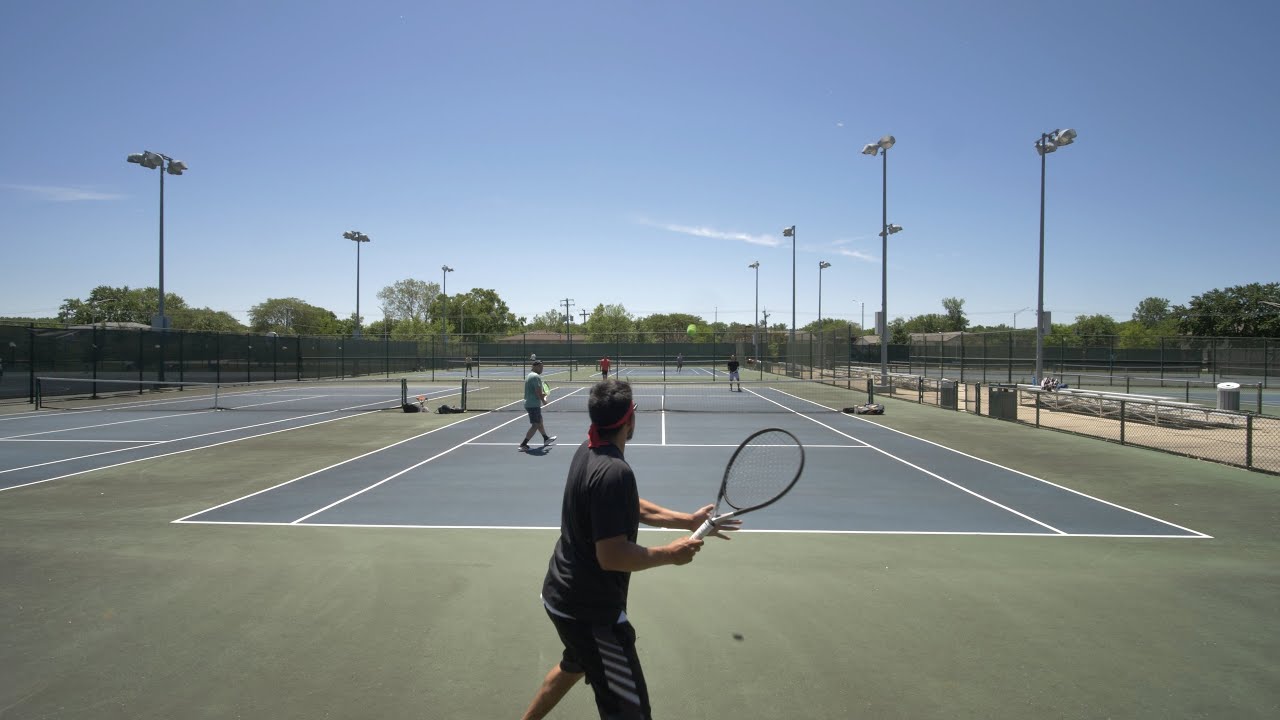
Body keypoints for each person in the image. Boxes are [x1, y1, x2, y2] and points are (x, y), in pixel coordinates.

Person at [521, 379, 739, 720]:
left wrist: (687, 520)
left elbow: (627, 507)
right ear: (631, 417)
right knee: (631, 713)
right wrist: (671, 554)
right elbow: (612, 556)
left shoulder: (588, 451)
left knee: (575, 665)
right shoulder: (614, 472)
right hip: (592, 614)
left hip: (560, 594)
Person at [520, 360, 557, 451]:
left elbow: (535, 391)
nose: (542, 369)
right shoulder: (536, 377)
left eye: (542, 367)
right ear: (535, 366)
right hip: (533, 405)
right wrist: (543, 400)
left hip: (530, 403)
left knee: (540, 422)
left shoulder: (530, 375)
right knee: (535, 425)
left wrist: (541, 396)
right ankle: (523, 444)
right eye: (540, 367)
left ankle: (546, 439)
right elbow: (537, 392)